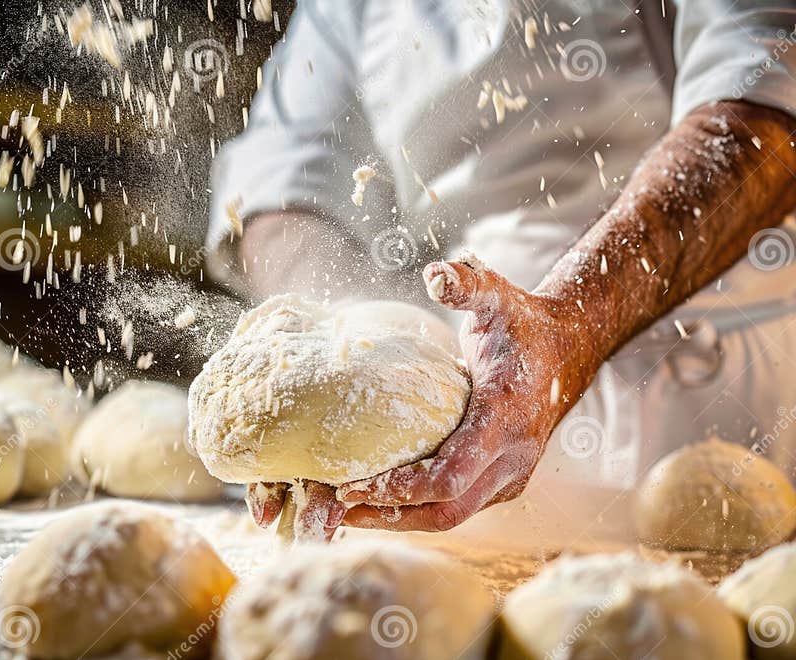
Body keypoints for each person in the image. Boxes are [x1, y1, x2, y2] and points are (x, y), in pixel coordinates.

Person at [205, 0, 796, 539]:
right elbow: (282, 185)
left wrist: (569, 324)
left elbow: (762, 108)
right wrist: (341, 364)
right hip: (479, 406)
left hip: (714, 385)